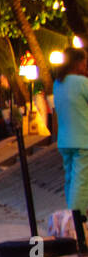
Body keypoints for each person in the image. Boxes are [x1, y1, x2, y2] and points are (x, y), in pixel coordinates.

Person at [53, 47, 88, 215]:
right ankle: (76, 221)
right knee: (81, 183)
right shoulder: (82, 83)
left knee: (70, 179)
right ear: (78, 62)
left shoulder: (58, 83)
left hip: (65, 140)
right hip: (83, 140)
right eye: (85, 62)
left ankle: (71, 216)